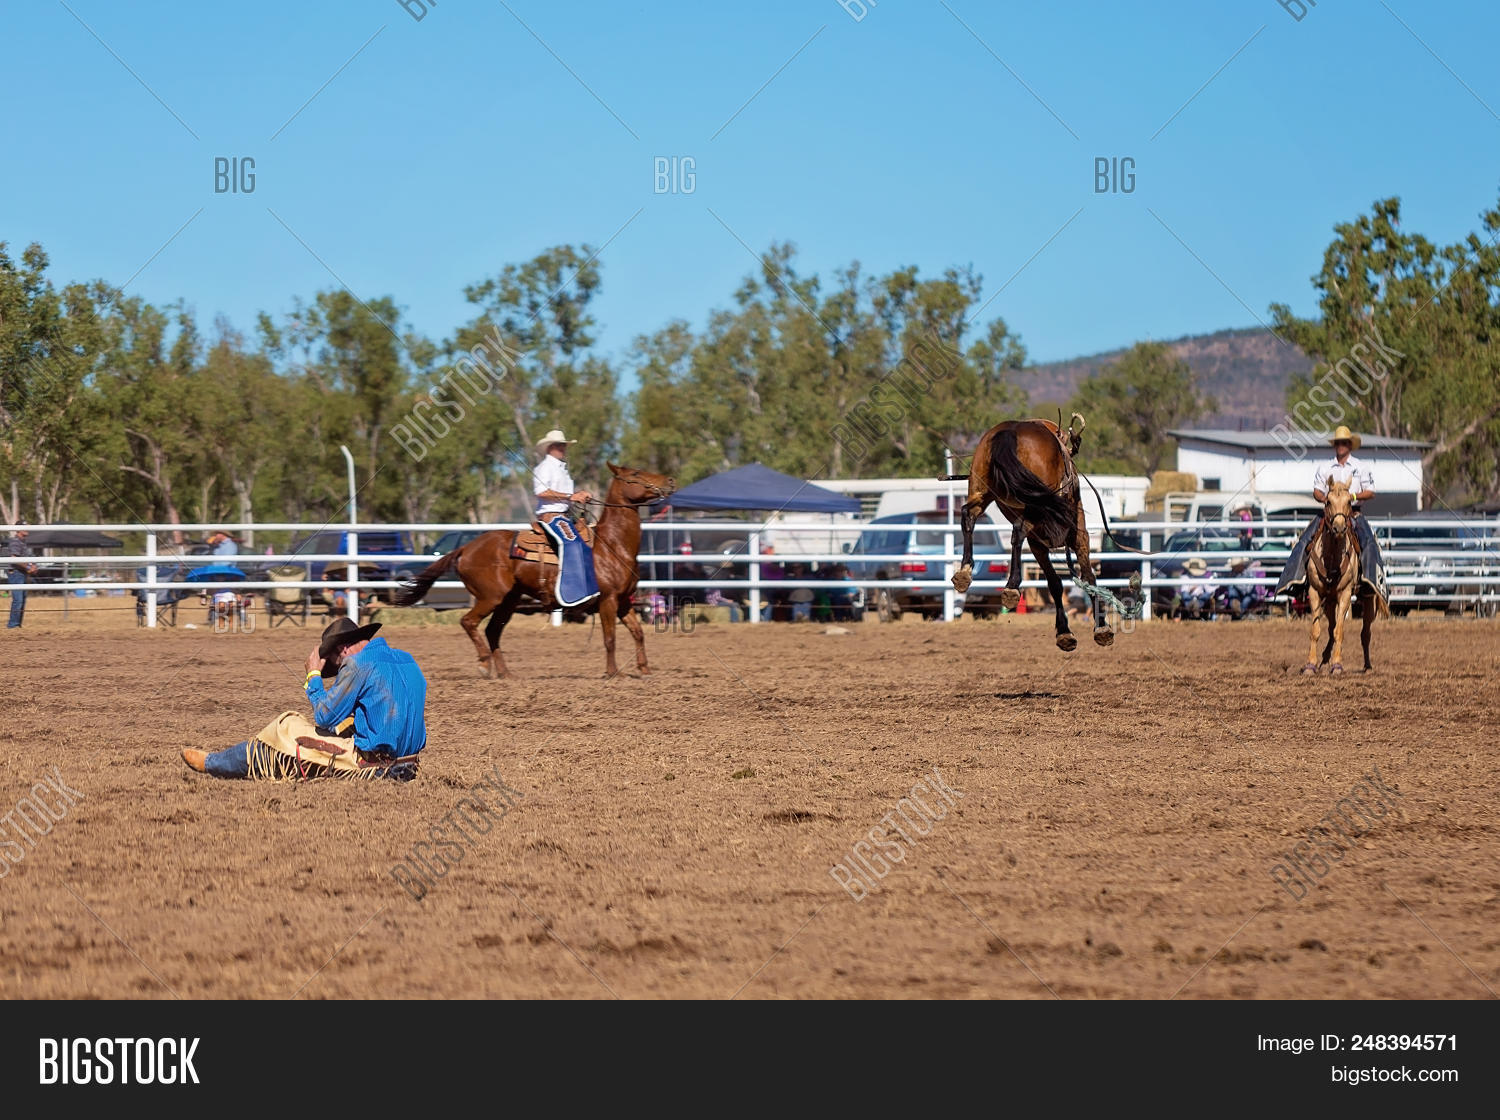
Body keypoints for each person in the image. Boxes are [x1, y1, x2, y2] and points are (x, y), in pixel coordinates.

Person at [181, 618, 427, 781]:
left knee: (285, 728)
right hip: (410, 761)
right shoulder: (407, 659)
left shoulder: (357, 664)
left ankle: (213, 763)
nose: (339, 669)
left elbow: (323, 714)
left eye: (335, 663)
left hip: (373, 766)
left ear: (342, 650)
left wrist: (313, 676)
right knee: (345, 724)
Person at [1274, 426, 1388, 601]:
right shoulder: (1325, 467)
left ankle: (1370, 582)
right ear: (1335, 446)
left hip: (1353, 513)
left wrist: (1353, 496)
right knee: (1304, 541)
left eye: (1344, 443)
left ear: (1350, 445)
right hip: (1329, 513)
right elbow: (1317, 491)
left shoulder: (1360, 467)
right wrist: (1325, 498)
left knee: (1369, 542)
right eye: (1338, 443)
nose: (1341, 446)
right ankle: (1295, 581)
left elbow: (1371, 491)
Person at [531, 429, 599, 608]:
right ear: (550, 447)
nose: (562, 448)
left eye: (563, 446)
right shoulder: (545, 467)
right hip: (551, 516)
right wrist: (571, 496)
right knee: (573, 543)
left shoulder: (561, 468)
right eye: (559, 445)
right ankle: (572, 593)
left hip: (565, 515)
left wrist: (578, 496)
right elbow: (541, 492)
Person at [7, 524, 37, 629]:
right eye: (24, 527)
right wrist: (28, 567)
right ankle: (13, 625)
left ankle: (17, 624)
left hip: (21, 573)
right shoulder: (16, 541)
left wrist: (31, 566)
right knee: (18, 600)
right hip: (16, 573)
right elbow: (14, 558)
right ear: (18, 530)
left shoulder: (23, 542)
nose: (27, 529)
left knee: (22, 599)